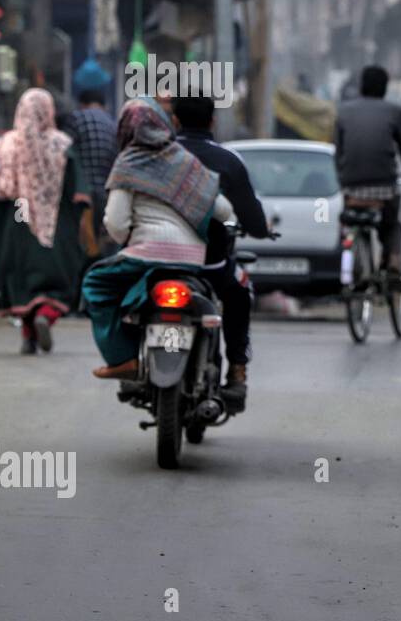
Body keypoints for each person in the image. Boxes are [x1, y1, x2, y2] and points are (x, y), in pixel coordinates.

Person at [82, 98, 234, 379]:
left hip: (144, 256)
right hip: (190, 260)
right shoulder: (185, 161)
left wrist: (127, 238)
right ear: (164, 124)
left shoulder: (127, 163)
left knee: (95, 285)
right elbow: (223, 210)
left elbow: (116, 223)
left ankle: (123, 357)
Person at [0, 89, 91, 354]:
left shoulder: (4, 144)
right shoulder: (61, 145)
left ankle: (28, 336)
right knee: (57, 275)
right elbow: (80, 191)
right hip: (55, 220)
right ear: (48, 111)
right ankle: (46, 317)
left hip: (17, 214)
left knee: (20, 279)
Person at [174, 96, 269, 406]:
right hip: (211, 264)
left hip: (158, 261)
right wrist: (260, 230)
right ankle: (237, 370)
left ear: (174, 120)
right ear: (212, 121)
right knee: (240, 291)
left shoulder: (158, 157)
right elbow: (253, 218)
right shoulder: (228, 161)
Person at [334, 66, 401, 285]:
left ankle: (355, 264)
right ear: (385, 88)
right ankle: (392, 260)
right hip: (384, 187)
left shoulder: (343, 111)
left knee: (351, 221)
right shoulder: (394, 111)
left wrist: (341, 178)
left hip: (350, 187)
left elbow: (338, 152)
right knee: (392, 225)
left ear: (361, 86)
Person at [65, 89, 118, 253]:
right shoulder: (113, 124)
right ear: (104, 105)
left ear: (82, 104)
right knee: (97, 244)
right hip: (104, 195)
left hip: (80, 196)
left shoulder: (76, 118)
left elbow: (65, 151)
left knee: (79, 246)